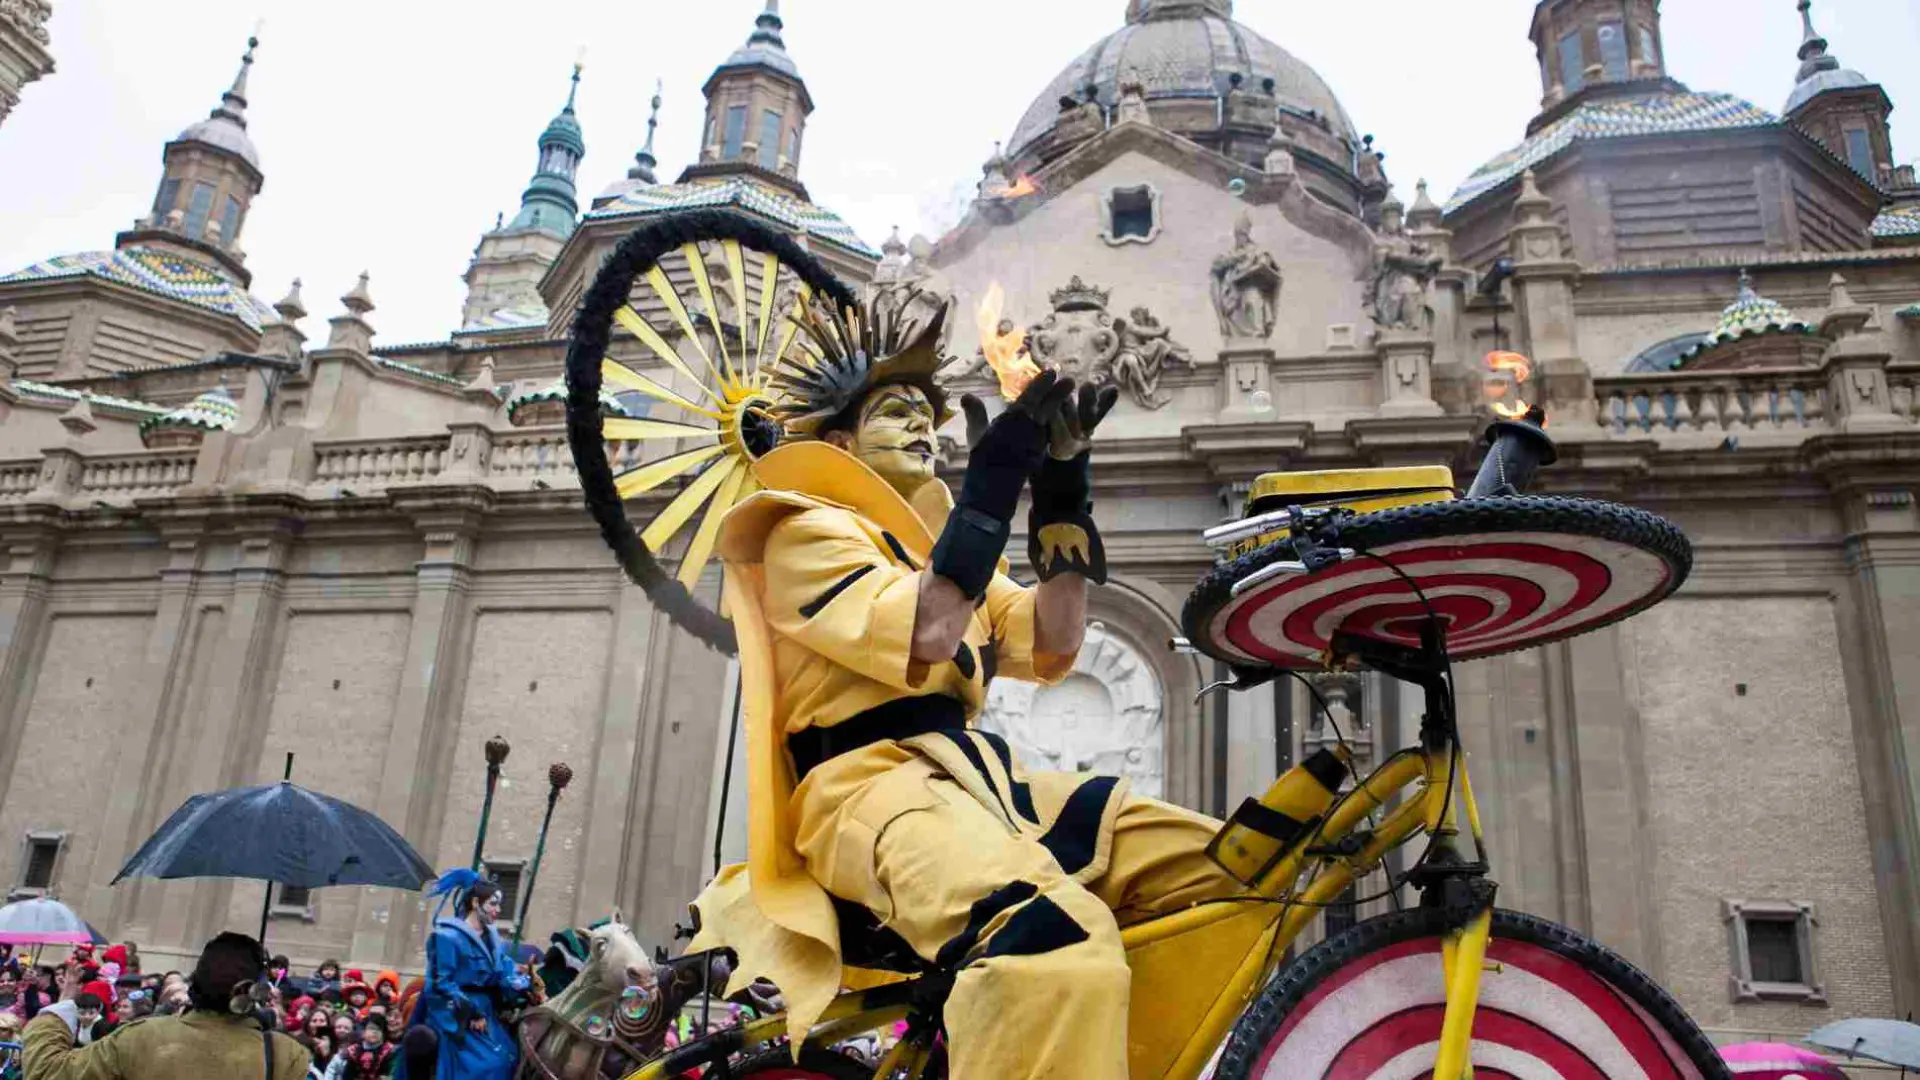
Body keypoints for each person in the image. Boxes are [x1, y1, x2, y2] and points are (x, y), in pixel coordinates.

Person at [682, 278, 1242, 1080]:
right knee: (1048, 937)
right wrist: (988, 492)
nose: (921, 424)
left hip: (983, 789)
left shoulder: (934, 551)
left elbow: (1055, 638)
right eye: (893, 412)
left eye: (924, 412)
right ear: (840, 447)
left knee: (1233, 864)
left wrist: (1060, 489)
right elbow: (931, 627)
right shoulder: (802, 533)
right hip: (865, 797)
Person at [22, 930, 311, 1079]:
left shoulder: (143, 1036)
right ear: (256, 991)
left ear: (194, 981)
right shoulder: (285, 1055)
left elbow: (47, 1072)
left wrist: (61, 1007)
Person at [394, 870, 527, 1080]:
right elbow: (440, 983)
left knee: (512, 1056)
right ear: (475, 902)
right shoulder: (446, 937)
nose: (498, 910)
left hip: (488, 1009)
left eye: (499, 904)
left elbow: (503, 968)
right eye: (493, 903)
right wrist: (471, 1012)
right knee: (489, 1065)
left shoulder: (492, 937)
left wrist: (520, 981)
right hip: (455, 1012)